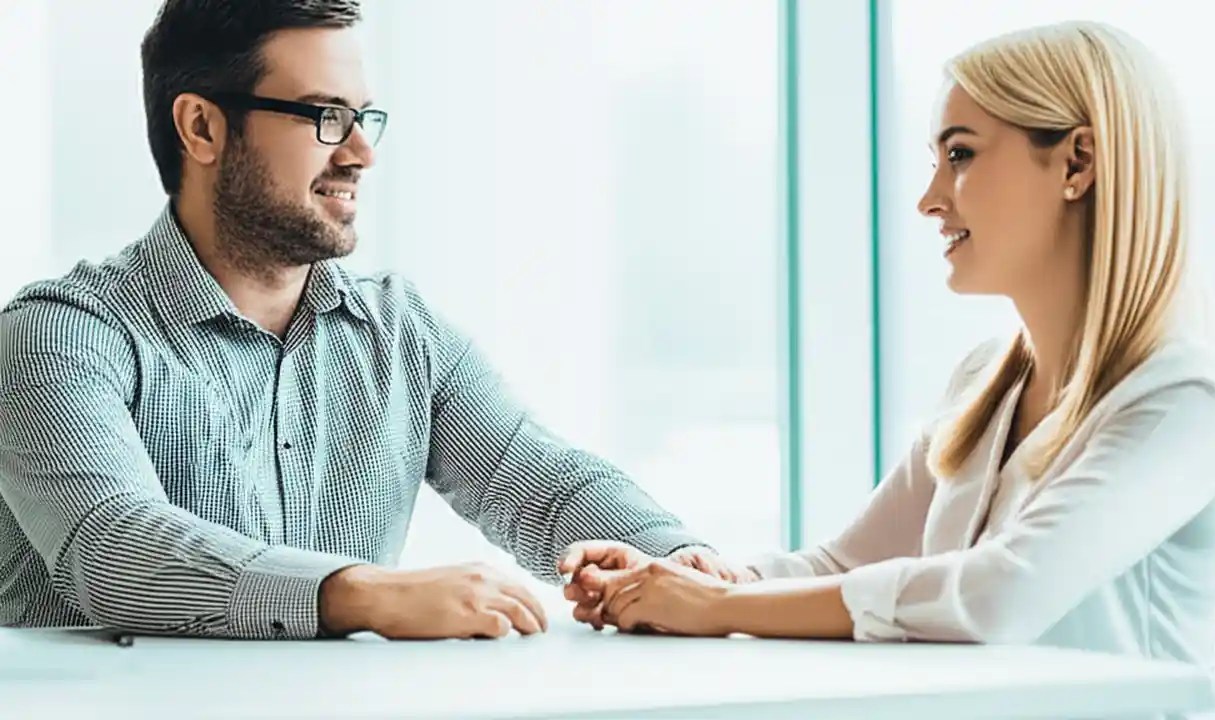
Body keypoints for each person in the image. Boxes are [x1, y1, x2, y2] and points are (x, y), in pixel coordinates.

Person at [0, 0, 743, 641]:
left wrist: (677, 560)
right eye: (325, 117)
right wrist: (362, 594)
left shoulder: (397, 327)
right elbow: (114, 549)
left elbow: (542, 482)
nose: (361, 153)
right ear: (201, 128)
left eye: (364, 119)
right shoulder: (58, 336)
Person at [571, 20, 1215, 679]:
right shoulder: (987, 380)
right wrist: (695, 581)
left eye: (960, 155)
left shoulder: (1184, 399)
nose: (929, 200)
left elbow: (997, 595)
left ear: (1077, 162)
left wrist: (719, 608)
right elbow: (845, 567)